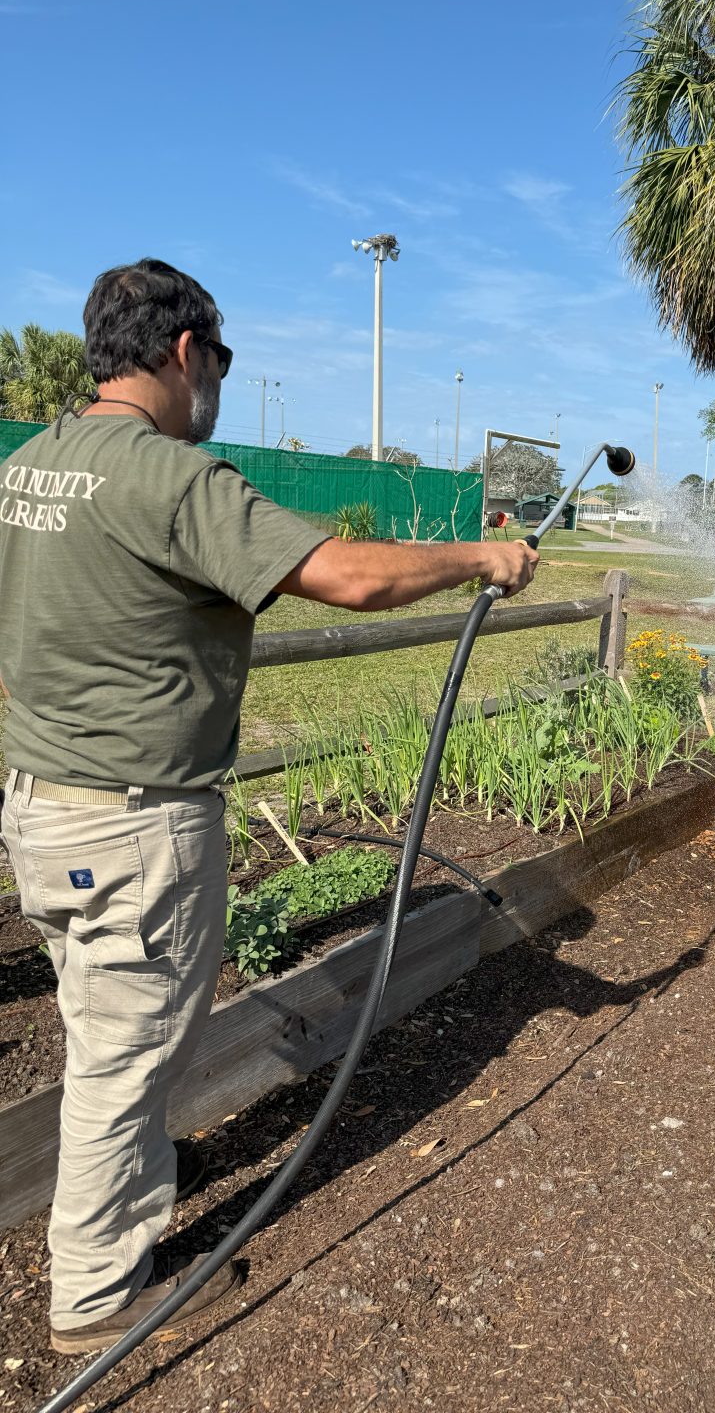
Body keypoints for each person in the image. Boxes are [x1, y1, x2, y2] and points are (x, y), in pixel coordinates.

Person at [0, 258, 537, 1355]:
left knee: (105, 1021)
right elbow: (350, 577)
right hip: (132, 823)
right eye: (222, 359)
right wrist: (480, 554)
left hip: (44, 809)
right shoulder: (169, 478)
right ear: (184, 351)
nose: (220, 383)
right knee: (122, 1054)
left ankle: (137, 1175)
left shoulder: (32, 464)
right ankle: (96, 1294)